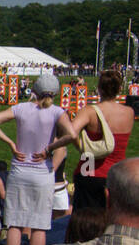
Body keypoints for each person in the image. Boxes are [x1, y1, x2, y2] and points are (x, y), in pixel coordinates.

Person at [0, 74, 66, 245]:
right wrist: (50, 148)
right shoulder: (57, 112)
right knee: (40, 225)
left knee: (15, 223)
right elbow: (72, 135)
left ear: (35, 91)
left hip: (20, 169)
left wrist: (11, 143)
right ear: (55, 93)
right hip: (42, 171)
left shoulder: (21, 108)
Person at [41, 69, 134, 212]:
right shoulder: (129, 112)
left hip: (89, 168)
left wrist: (51, 147)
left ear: (99, 88)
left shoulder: (89, 111)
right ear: (119, 88)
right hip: (117, 173)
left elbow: (71, 134)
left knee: (85, 220)